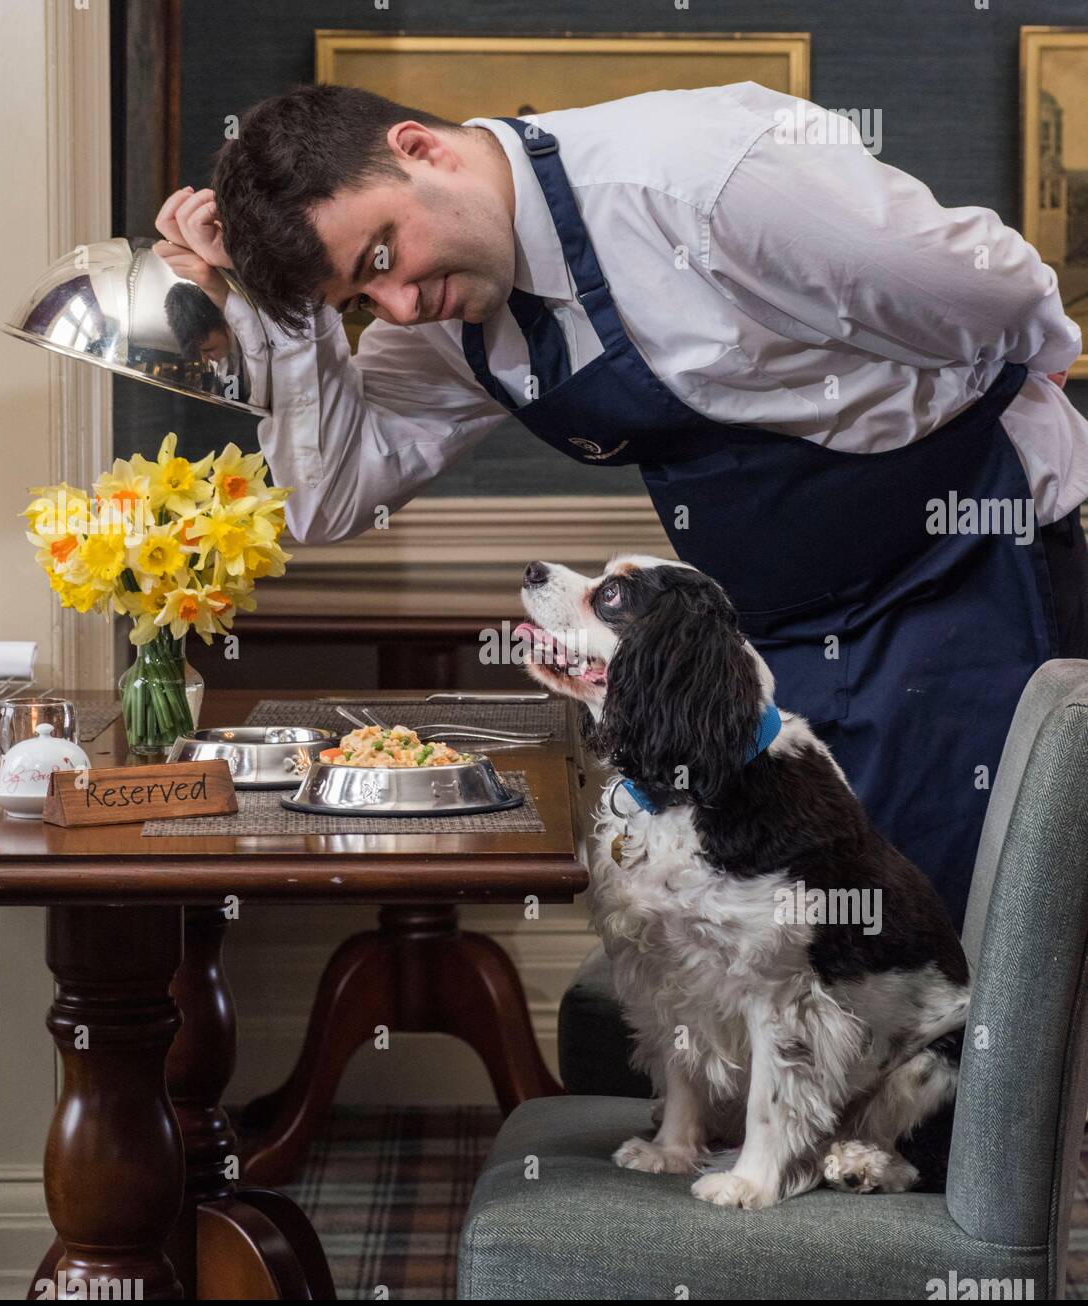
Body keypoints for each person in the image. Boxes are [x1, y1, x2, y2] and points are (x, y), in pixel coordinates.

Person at [155, 82, 1088, 931]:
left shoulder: (697, 183)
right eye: (358, 294)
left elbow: (1004, 293)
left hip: (959, 585)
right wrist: (281, 308)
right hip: (776, 646)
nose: (397, 307)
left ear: (421, 148)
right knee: (818, 957)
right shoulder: (448, 320)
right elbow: (327, 498)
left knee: (977, 946)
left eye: (384, 255)